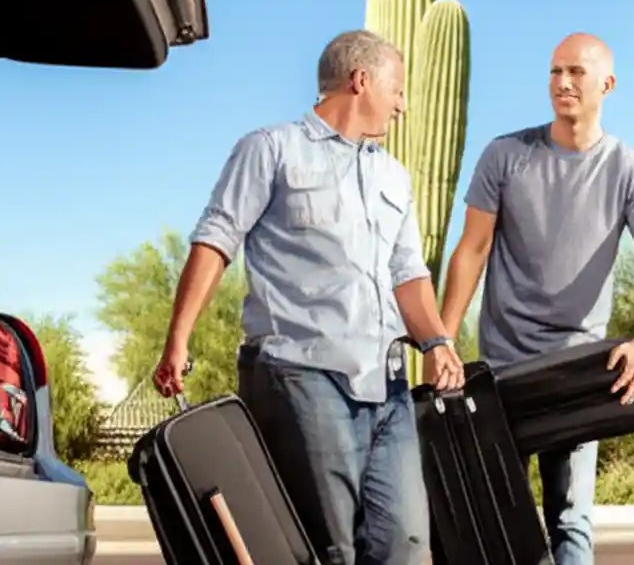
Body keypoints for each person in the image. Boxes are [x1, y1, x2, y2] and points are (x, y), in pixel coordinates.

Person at [152, 29, 465, 565]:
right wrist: (178, 339)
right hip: (301, 373)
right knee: (329, 547)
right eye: (397, 88)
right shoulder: (271, 150)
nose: (404, 104)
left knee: (405, 545)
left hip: (386, 384)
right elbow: (216, 240)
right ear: (360, 80)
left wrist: (436, 340)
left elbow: (407, 272)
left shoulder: (394, 176)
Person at [438, 32, 634, 564]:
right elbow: (471, 250)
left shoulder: (630, 171)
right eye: (554, 72)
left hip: (576, 371)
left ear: (607, 85)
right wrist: (442, 341)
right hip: (500, 370)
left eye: (576, 72)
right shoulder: (505, 156)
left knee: (571, 518)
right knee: (500, 518)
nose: (563, 83)